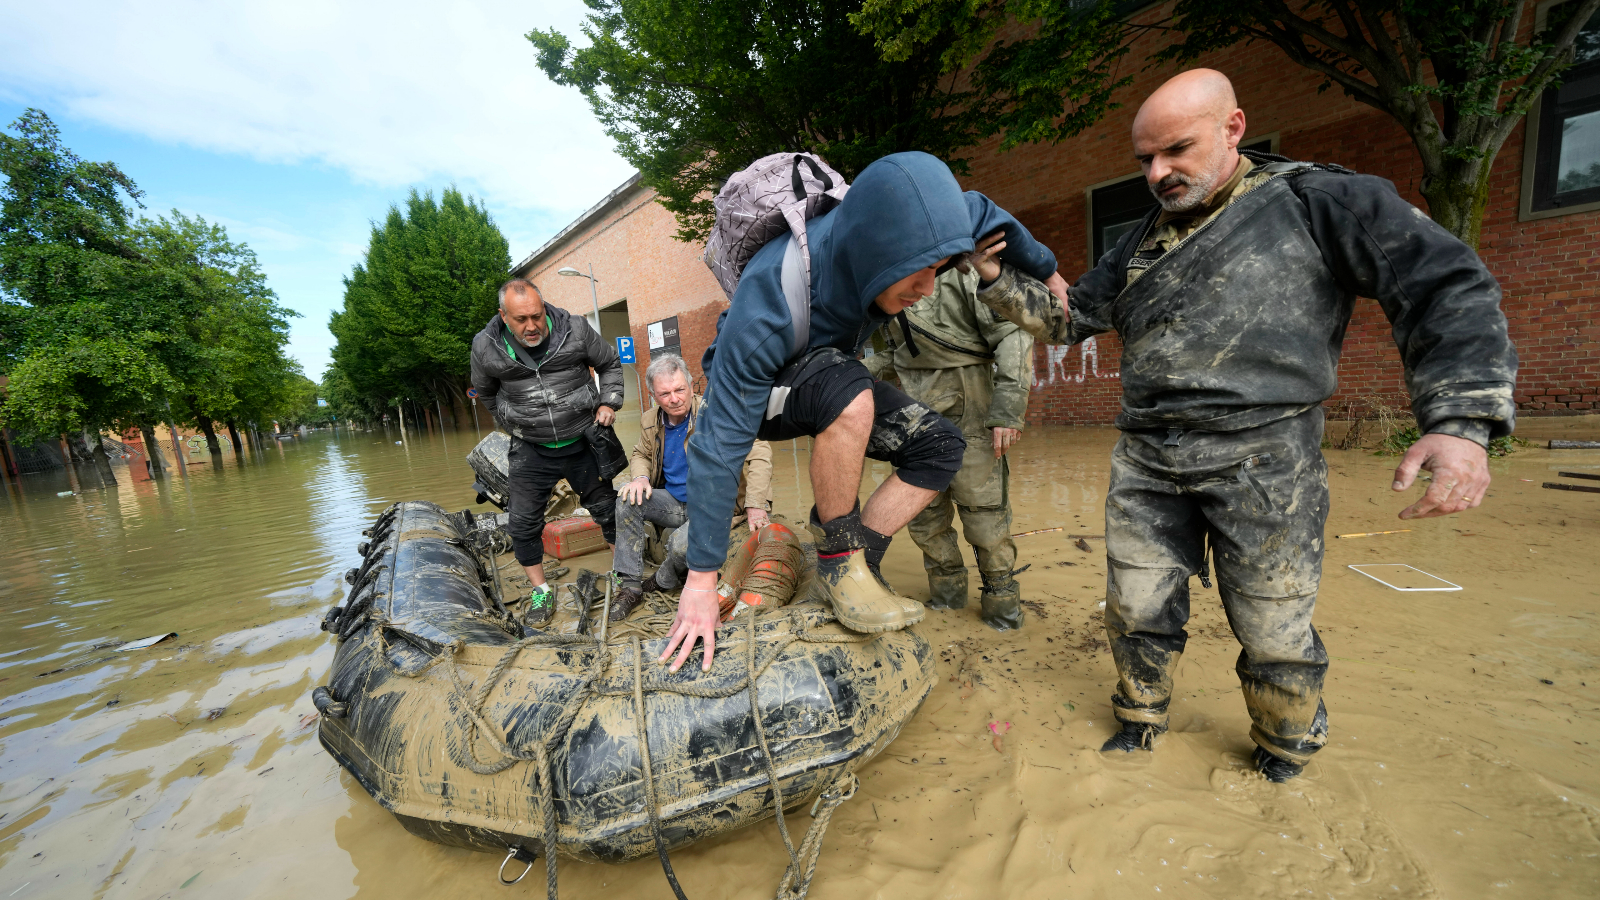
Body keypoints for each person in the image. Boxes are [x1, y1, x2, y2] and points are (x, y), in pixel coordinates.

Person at [970, 69, 1517, 781]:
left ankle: (1285, 746)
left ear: (1233, 128)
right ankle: (1139, 716)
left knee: (1272, 621)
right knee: (1134, 604)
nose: (1158, 173)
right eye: (1145, 160)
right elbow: (1072, 319)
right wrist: (992, 280)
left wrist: (1461, 421)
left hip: (1267, 456)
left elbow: (1444, 284)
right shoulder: (1141, 238)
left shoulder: (1320, 199)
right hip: (1148, 454)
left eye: (1176, 150)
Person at [660, 150, 1060, 673]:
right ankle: (840, 556)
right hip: (764, 395)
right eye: (918, 273)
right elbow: (715, 451)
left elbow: (982, 211)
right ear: (877, 254)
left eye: (938, 270)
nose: (927, 289)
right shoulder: (767, 308)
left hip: (830, 373)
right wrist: (701, 580)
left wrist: (1048, 272)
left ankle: (855, 564)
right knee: (849, 386)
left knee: (941, 448)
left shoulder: (915, 225)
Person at [865, 266, 1034, 630]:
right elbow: (892, 350)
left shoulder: (961, 271)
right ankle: (947, 599)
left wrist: (1008, 411)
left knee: (984, 513)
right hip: (913, 410)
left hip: (971, 403)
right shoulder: (882, 281)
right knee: (924, 516)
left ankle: (1002, 608)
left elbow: (1013, 331)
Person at [470, 278, 626, 625]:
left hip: (584, 438)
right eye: (521, 319)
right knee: (522, 524)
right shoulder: (485, 347)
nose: (531, 326)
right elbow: (487, 393)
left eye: (537, 316)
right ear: (503, 316)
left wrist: (609, 402)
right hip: (531, 448)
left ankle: (620, 574)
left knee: (608, 510)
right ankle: (541, 590)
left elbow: (610, 364)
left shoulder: (576, 329)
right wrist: (512, 422)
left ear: (544, 308)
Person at [609, 352, 774, 621]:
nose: (674, 399)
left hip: (713, 507)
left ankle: (663, 579)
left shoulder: (716, 413)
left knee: (679, 545)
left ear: (689, 384)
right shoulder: (651, 420)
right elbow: (640, 453)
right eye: (665, 394)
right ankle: (631, 587)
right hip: (675, 503)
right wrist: (639, 478)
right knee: (626, 501)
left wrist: (756, 503)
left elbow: (760, 451)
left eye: (679, 390)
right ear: (653, 394)